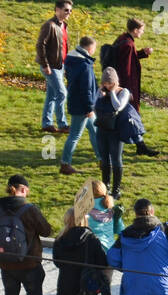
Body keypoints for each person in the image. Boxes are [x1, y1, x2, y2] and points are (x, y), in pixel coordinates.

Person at [1, 174, 53, 295]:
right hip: (30, 263)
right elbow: (46, 231)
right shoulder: (29, 209)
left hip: (6, 263)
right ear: (23, 189)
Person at [80, 179, 123, 295]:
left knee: (94, 290)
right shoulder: (111, 208)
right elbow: (120, 230)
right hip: (109, 255)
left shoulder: (85, 209)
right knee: (106, 291)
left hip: (92, 254)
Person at [111, 18, 159, 157]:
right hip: (127, 86)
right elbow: (125, 70)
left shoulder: (124, 40)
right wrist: (127, 91)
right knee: (132, 115)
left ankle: (139, 145)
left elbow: (129, 59)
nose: (143, 32)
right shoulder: (127, 44)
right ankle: (140, 146)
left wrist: (143, 53)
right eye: (142, 30)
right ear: (136, 30)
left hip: (122, 86)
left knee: (127, 116)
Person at [94, 68, 139, 200]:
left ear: (115, 82)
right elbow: (93, 106)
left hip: (116, 131)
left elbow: (117, 106)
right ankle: (105, 187)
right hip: (102, 129)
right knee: (104, 158)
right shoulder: (101, 91)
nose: (107, 86)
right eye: (105, 83)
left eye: (110, 83)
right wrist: (99, 95)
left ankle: (116, 189)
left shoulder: (123, 92)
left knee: (116, 159)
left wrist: (112, 92)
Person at [60, 36, 99, 174]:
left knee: (95, 129)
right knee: (74, 136)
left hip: (76, 102)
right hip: (82, 107)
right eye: (94, 47)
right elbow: (86, 89)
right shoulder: (85, 66)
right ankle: (65, 164)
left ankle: (102, 159)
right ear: (89, 48)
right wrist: (89, 108)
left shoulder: (72, 60)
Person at [38, 0, 73, 135]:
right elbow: (40, 45)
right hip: (50, 66)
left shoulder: (63, 25)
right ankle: (63, 124)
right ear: (57, 10)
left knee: (52, 95)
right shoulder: (49, 25)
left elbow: (63, 46)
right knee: (62, 93)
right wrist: (45, 65)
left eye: (70, 10)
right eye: (66, 10)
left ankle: (47, 124)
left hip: (60, 65)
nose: (68, 13)